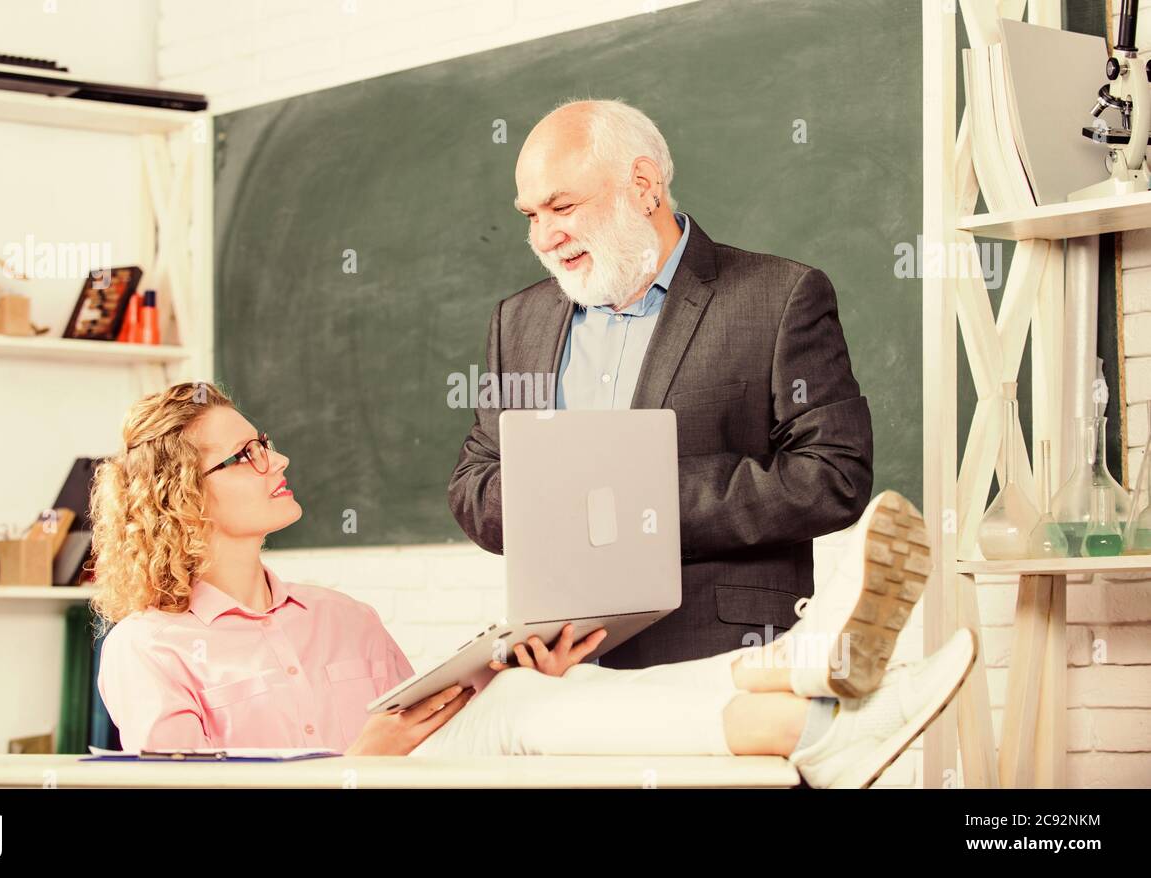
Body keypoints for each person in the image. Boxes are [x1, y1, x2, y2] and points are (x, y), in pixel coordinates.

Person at [92, 382, 974, 788]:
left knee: (523, 690)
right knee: (515, 705)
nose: (276, 458)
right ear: (179, 493)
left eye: (265, 440)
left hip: (423, 788)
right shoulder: (149, 646)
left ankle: (811, 698)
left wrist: (495, 678)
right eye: (246, 454)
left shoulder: (341, 617)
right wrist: (358, 761)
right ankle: (816, 696)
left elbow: (427, 723)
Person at [449, 99, 874, 670]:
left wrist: (637, 499)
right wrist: (557, 499)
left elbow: (834, 476)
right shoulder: (518, 321)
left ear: (644, 185)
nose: (545, 237)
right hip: (558, 667)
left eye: (563, 206)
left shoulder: (780, 296)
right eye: (531, 215)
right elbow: (475, 481)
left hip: (722, 660)